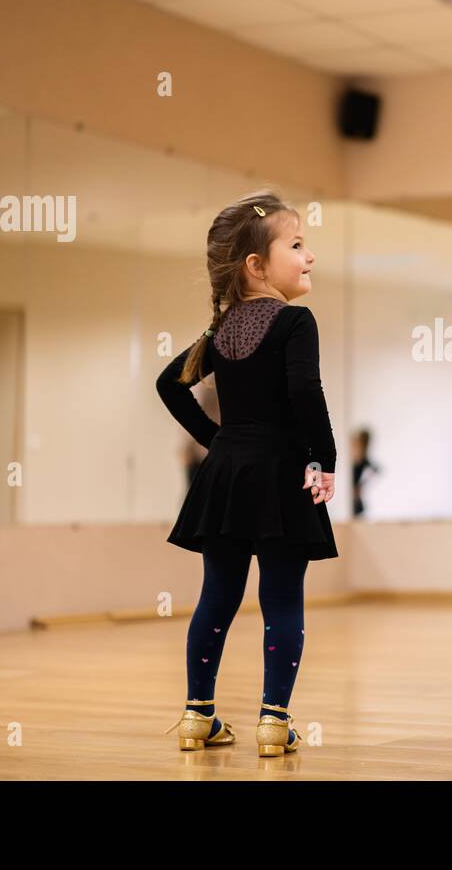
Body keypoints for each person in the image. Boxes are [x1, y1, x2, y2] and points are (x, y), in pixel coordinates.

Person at [156, 190, 338, 756]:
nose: (309, 256)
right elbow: (306, 393)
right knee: (282, 600)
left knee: (217, 597)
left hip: (228, 480)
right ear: (256, 266)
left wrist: (220, 443)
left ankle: (197, 715)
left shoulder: (224, 330)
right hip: (282, 477)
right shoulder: (294, 322)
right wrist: (323, 460)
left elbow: (169, 385)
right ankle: (272, 720)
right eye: (298, 244)